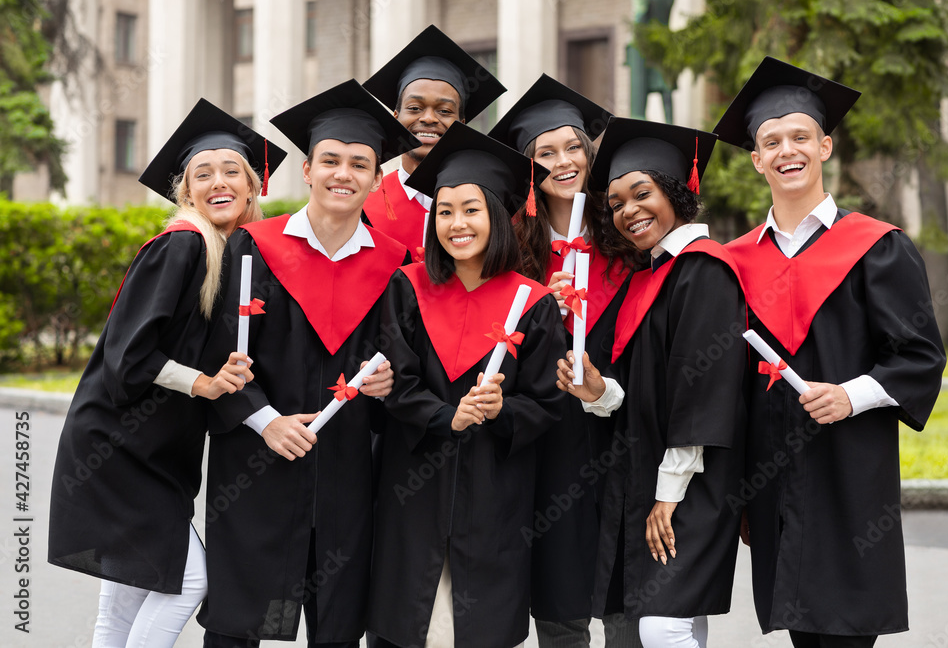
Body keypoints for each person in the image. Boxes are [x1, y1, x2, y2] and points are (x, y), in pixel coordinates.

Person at [713, 56, 947, 647]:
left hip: (849, 476)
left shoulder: (877, 248)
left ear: (825, 147)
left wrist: (850, 394)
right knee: (801, 630)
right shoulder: (734, 263)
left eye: (800, 136)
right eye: (772, 141)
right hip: (771, 483)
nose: (786, 149)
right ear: (756, 158)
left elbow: (918, 356)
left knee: (844, 630)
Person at [48, 99, 286, 647]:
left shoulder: (225, 256)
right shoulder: (182, 245)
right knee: (186, 581)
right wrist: (203, 382)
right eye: (203, 174)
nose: (219, 182)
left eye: (233, 171)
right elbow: (128, 357)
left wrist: (219, 369)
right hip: (120, 447)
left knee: (128, 593)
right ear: (186, 192)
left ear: (253, 188)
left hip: (151, 449)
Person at [196, 79, 419, 648]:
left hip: (347, 468)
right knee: (236, 619)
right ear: (308, 171)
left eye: (359, 164)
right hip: (254, 461)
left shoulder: (396, 266)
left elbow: (402, 363)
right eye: (330, 161)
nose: (343, 174)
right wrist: (264, 420)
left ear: (375, 178)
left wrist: (389, 385)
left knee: (338, 621)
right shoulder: (253, 245)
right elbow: (217, 352)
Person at [367, 122, 565, 648]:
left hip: (495, 494)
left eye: (471, 210)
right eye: (445, 211)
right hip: (414, 487)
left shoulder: (534, 303)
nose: (457, 223)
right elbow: (395, 380)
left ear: (497, 216)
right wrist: (443, 416)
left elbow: (548, 403)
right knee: (413, 622)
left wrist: (502, 409)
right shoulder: (406, 288)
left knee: (476, 629)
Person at [556, 118, 747, 648]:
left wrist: (668, 493)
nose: (627, 212)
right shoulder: (652, 274)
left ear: (677, 192)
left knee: (662, 624)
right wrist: (597, 391)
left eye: (642, 194)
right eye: (615, 203)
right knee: (676, 619)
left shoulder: (703, 269)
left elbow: (703, 389)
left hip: (690, 478)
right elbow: (638, 391)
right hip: (652, 476)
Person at [488, 74, 643, 648]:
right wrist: (536, 309)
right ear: (529, 167)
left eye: (574, 147)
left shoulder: (625, 238)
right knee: (558, 598)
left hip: (618, 432)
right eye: (545, 152)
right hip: (546, 441)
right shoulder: (510, 247)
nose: (564, 161)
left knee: (623, 593)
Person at [361, 24, 506, 257]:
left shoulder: (489, 206)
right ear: (396, 118)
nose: (428, 118)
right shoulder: (365, 204)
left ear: (462, 123)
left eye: (445, 111)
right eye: (415, 108)